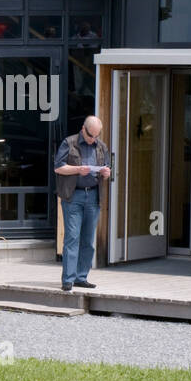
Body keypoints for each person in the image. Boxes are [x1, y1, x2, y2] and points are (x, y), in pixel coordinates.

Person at [54, 115, 111, 293]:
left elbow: (107, 167)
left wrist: (107, 172)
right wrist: (79, 169)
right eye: (90, 135)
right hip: (74, 196)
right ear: (83, 129)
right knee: (72, 237)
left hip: (93, 196)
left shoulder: (101, 146)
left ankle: (81, 277)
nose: (93, 139)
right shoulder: (69, 143)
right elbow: (58, 167)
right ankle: (68, 280)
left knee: (88, 240)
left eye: (96, 135)